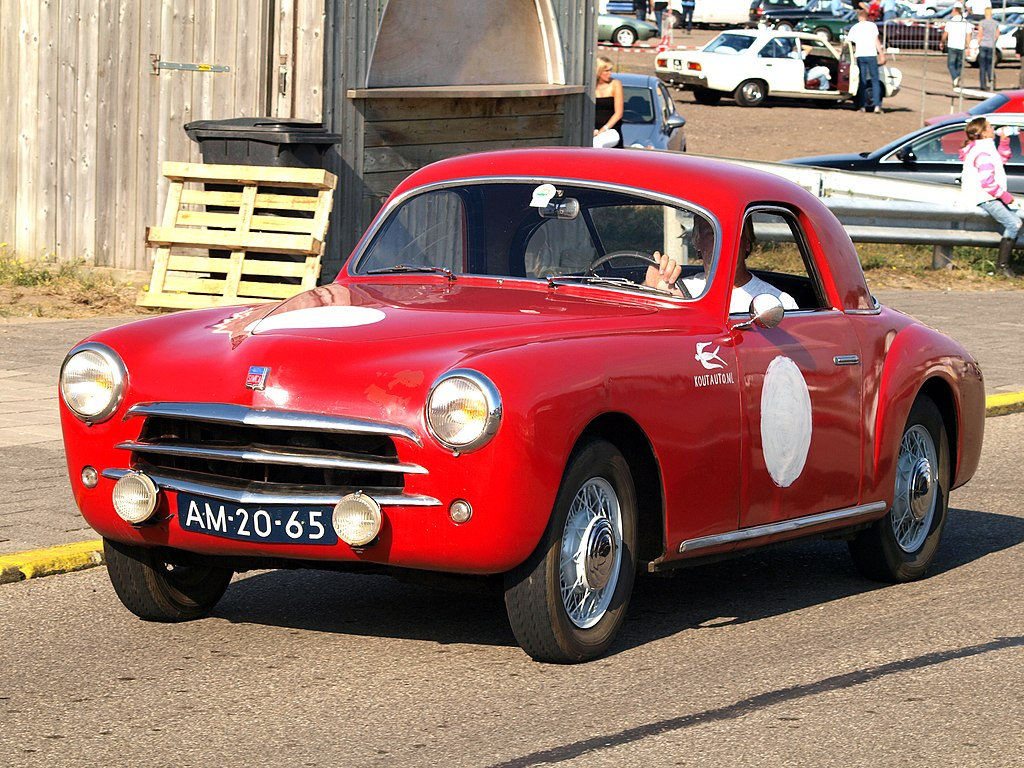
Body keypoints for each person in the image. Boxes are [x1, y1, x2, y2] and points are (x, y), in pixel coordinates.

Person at [645, 219, 798, 312]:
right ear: (698, 242)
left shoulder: (780, 302)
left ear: (746, 243)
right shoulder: (678, 289)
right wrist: (651, 286)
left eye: (731, 233)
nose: (722, 242)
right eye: (711, 233)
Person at [960, 117, 1021, 276]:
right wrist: (1005, 196)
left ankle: (1003, 266)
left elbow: (1000, 161)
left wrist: (1004, 142)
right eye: (990, 126)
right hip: (985, 197)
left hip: (987, 196)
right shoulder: (983, 152)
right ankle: (1002, 266)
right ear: (984, 133)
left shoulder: (984, 149)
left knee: (1015, 221)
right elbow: (987, 182)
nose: (993, 128)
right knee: (1014, 223)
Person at [848, 9, 886, 113]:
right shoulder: (872, 26)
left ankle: (862, 106)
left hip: (860, 55)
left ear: (859, 17)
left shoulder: (855, 27)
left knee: (862, 81)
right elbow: (876, 41)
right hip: (871, 55)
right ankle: (877, 105)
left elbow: (849, 42)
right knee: (875, 80)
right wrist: (882, 55)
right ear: (867, 17)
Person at [593, 56, 624, 148]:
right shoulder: (591, 86)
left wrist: (604, 129)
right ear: (598, 71)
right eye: (606, 71)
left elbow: (618, 113)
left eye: (611, 70)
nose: (610, 74)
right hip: (593, 131)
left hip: (611, 130)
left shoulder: (615, 84)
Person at [942, 5, 972, 88]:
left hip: (952, 45)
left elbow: (945, 33)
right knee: (959, 64)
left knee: (951, 64)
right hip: (961, 46)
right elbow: (969, 34)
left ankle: (955, 77)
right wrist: (968, 46)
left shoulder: (950, 22)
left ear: (956, 12)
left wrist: (942, 42)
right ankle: (957, 77)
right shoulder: (966, 22)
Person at [976, 7, 1000, 91]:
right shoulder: (995, 23)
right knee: (990, 64)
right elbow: (997, 34)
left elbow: (980, 34)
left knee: (982, 66)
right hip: (991, 45)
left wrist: (978, 43)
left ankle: (983, 85)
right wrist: (994, 41)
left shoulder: (982, 22)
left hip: (983, 45)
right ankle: (991, 79)